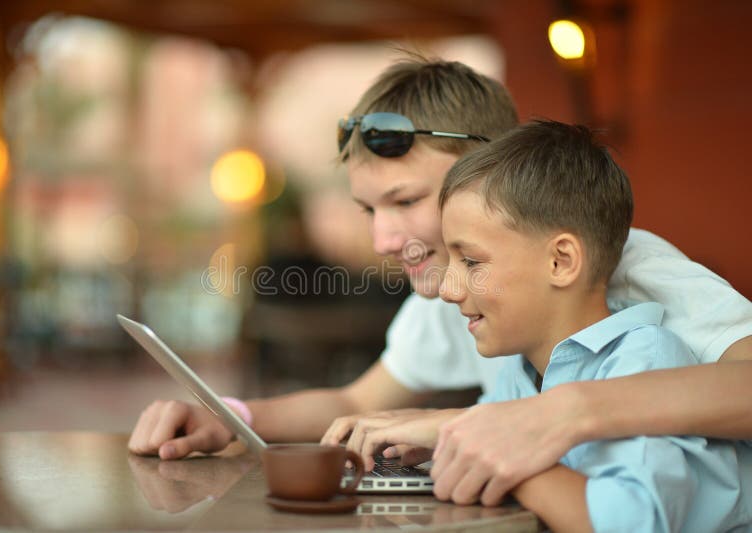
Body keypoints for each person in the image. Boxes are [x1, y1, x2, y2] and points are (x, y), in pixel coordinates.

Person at [128, 57, 752, 505]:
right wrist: (230, 416)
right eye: (370, 211)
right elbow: (354, 403)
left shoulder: (628, 266)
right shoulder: (456, 287)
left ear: (489, 167)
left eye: (405, 200)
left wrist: (556, 416)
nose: (382, 240)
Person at [426, 119, 749, 531]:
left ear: (560, 261)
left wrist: (510, 462)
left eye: (470, 262)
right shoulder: (521, 371)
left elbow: (632, 523)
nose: (447, 289)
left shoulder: (645, 358)